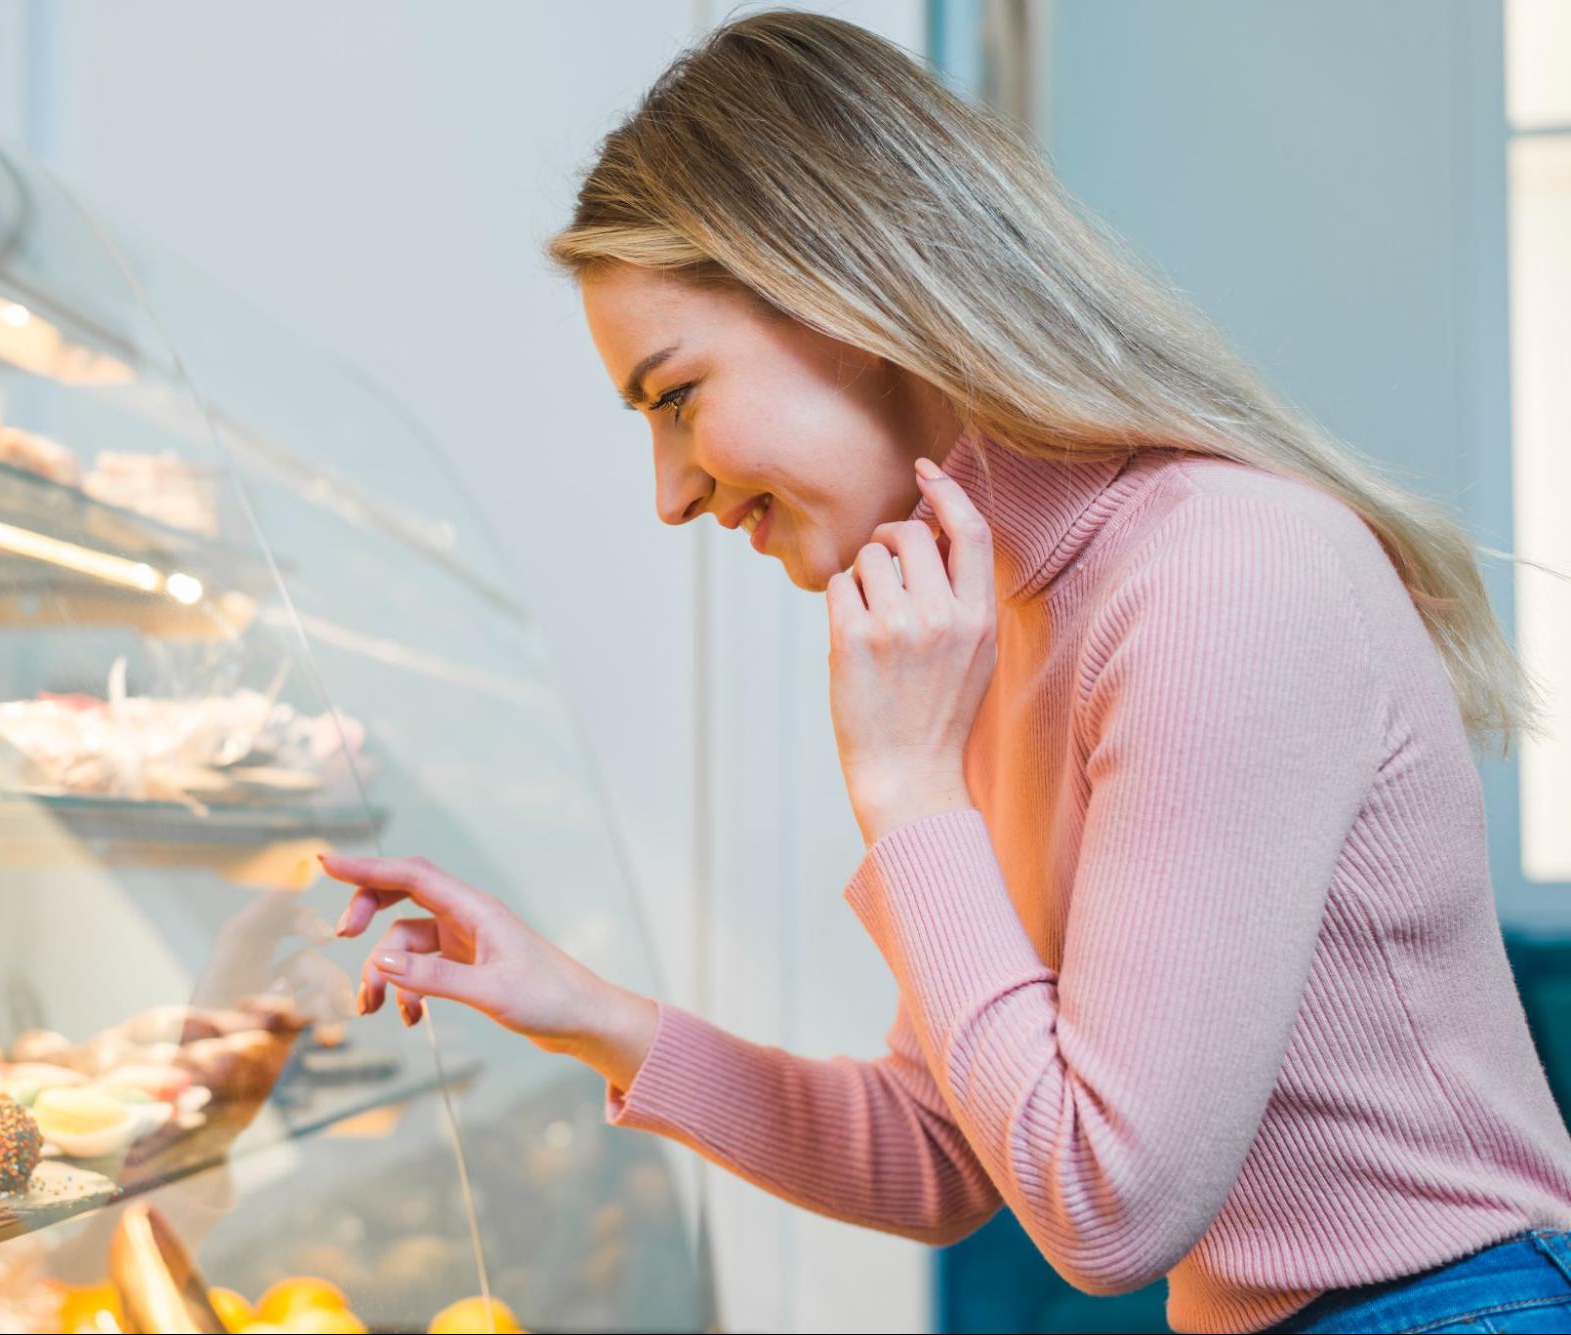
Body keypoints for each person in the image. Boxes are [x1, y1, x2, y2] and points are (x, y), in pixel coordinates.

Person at [322, 12, 1571, 1333]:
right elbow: (942, 1149)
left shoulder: (1220, 575)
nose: (670, 492)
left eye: (676, 397)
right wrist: (584, 1012)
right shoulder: (996, 617)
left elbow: (1107, 1209)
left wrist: (910, 787)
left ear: (842, 298)